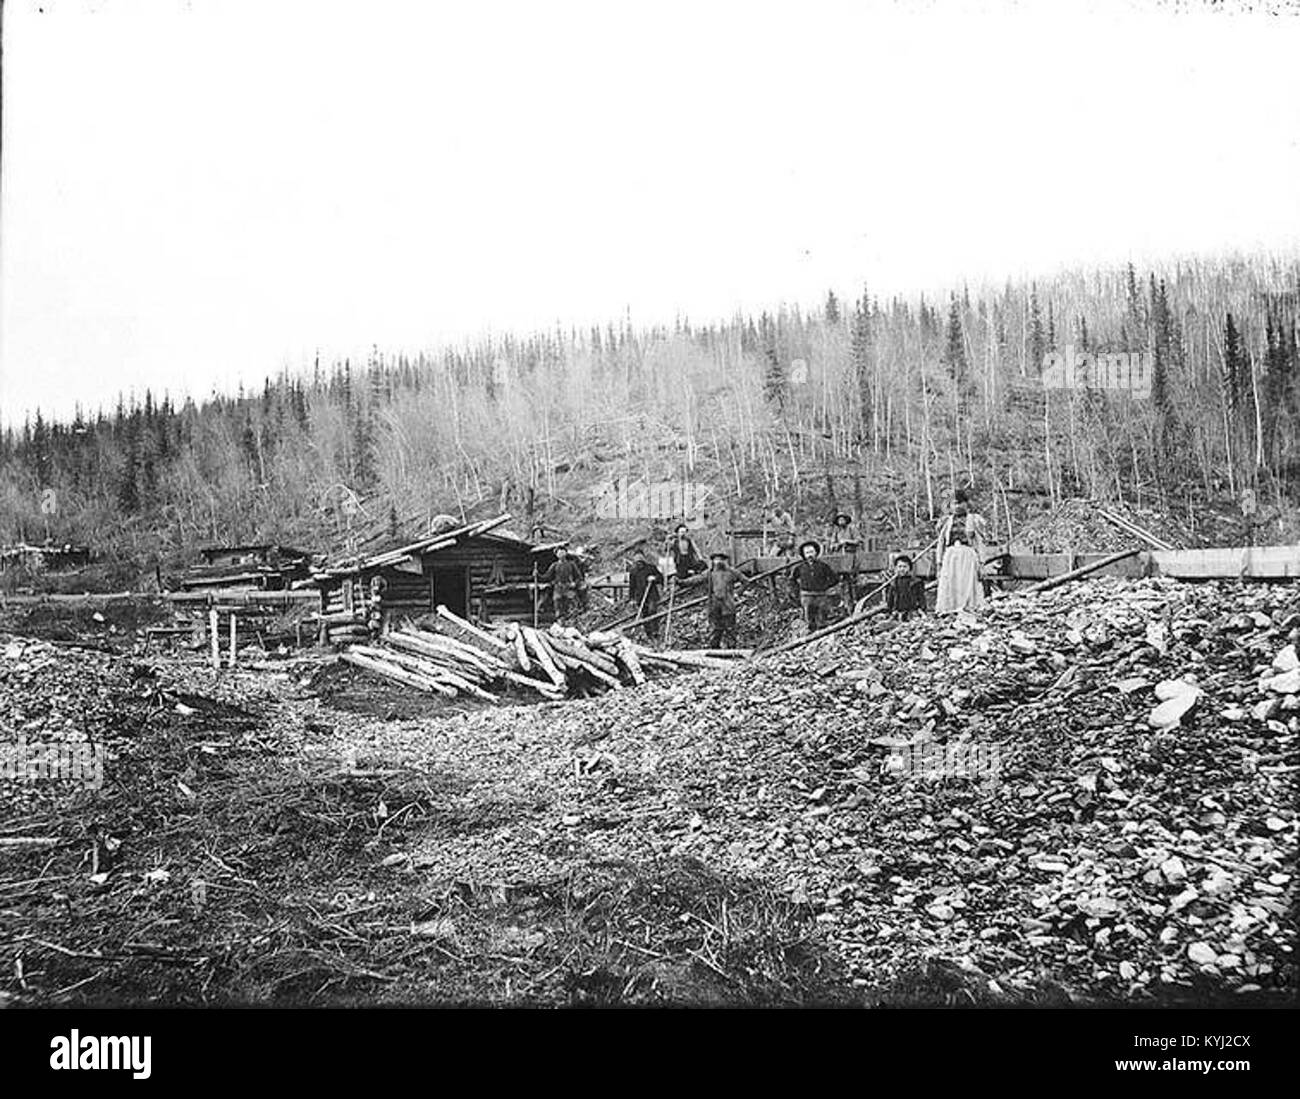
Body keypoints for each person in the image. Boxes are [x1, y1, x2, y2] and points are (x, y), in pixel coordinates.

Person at [935, 489, 988, 615]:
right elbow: (941, 543)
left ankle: (969, 608)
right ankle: (949, 609)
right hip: (951, 555)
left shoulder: (974, 520)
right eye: (954, 503)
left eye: (960, 503)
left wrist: (982, 564)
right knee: (950, 582)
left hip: (968, 554)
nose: (957, 506)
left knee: (967, 582)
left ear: (966, 504)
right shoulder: (946, 521)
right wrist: (939, 563)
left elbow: (980, 542)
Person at [790, 539, 840, 632]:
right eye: (807, 553)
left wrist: (825, 586)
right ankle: (809, 637)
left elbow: (835, 579)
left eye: (811, 552)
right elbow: (792, 580)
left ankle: (822, 637)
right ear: (804, 555)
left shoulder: (823, 566)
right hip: (806, 596)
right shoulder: (800, 567)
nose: (809, 555)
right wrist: (797, 591)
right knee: (808, 619)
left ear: (816, 553)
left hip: (821, 595)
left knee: (822, 619)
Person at [705, 551, 748, 649]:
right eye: (716, 559)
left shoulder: (732, 572)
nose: (718, 562)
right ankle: (714, 651)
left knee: (730, 629)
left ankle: (732, 651)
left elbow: (745, 581)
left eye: (721, 559)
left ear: (724, 561)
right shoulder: (709, 573)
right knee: (715, 629)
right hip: (714, 605)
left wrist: (738, 593)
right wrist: (680, 582)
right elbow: (695, 580)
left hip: (728, 604)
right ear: (713, 561)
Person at [627, 546, 664, 641]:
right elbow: (632, 586)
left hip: (651, 594)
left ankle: (655, 631)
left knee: (652, 610)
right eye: (637, 562)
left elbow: (661, 578)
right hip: (640, 596)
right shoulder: (633, 571)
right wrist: (632, 599)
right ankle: (649, 634)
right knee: (645, 614)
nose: (639, 563)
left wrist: (654, 578)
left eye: (641, 561)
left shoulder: (651, 568)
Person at [542, 545, 585, 621]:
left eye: (563, 552)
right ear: (556, 555)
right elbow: (546, 577)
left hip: (569, 588)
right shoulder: (554, 565)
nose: (561, 554)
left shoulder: (571, 564)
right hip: (558, 589)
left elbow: (579, 577)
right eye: (559, 553)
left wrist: (575, 583)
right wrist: (537, 574)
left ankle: (572, 623)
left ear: (566, 553)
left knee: (572, 606)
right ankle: (560, 623)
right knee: (558, 606)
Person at [884, 554, 927, 620]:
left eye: (904, 566)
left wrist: (922, 611)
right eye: (900, 566)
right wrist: (889, 612)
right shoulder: (893, 583)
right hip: (898, 612)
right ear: (896, 568)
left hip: (912, 612)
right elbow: (890, 599)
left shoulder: (916, 582)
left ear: (909, 568)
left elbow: (921, 598)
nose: (902, 569)